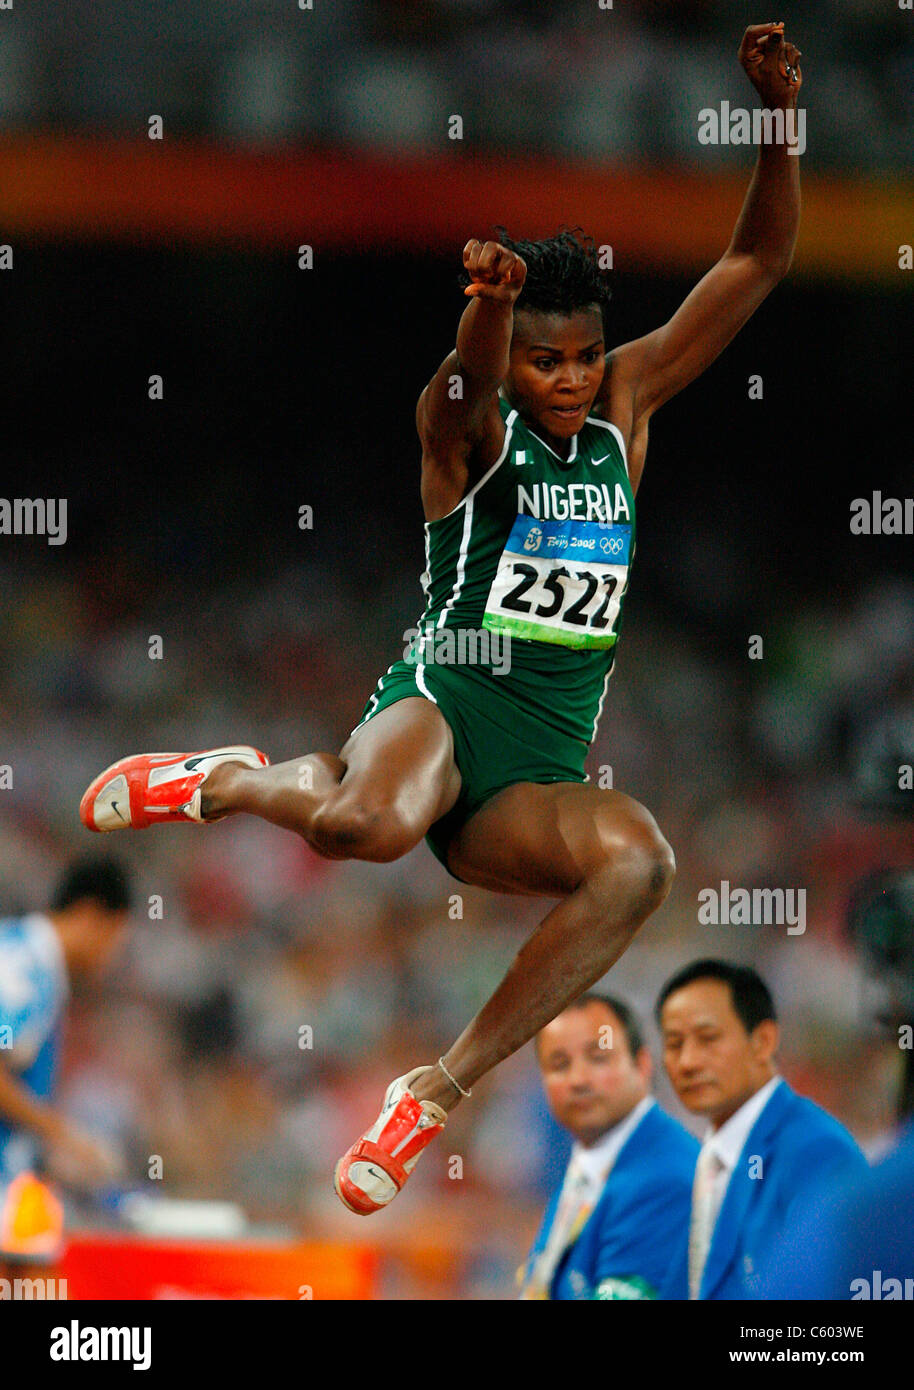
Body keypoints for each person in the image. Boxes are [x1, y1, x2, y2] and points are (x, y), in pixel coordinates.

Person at [79, 24, 803, 1216]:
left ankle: (434, 1087)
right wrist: (484, 315)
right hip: (446, 695)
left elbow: (756, 263)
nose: (566, 381)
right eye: (542, 364)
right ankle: (225, 778)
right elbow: (458, 390)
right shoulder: (468, 430)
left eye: (578, 358)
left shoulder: (626, 400)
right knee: (362, 822)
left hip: (538, 759)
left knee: (640, 863)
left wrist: (777, 118)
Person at [655, 959, 867, 1301]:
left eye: (708, 1038)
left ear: (763, 1041)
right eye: (674, 1043)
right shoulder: (716, 1153)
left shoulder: (817, 1152)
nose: (688, 1062)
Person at [0, 854, 130, 1289]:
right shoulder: (25, 969)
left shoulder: (26, 956)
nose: (112, 955)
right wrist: (65, 1135)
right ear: (92, 915)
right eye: (116, 937)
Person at [519, 992, 698, 1300]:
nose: (578, 1079)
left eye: (598, 1058)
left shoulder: (664, 1180)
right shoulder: (591, 1162)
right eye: (559, 1065)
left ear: (642, 1065)